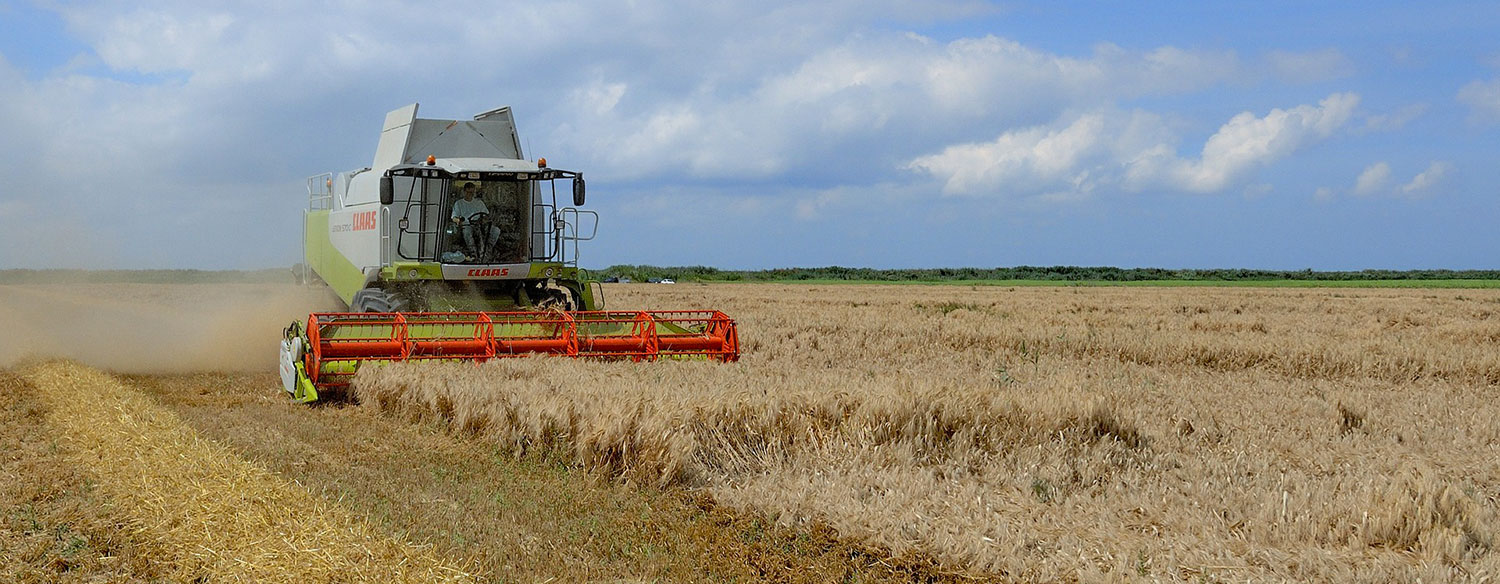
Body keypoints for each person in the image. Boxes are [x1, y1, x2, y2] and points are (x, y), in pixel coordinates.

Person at [450, 182, 501, 260]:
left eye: (472, 192)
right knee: (467, 232)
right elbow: (454, 217)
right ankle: (473, 253)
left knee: (496, 230)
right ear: (464, 192)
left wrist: (484, 220)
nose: (470, 194)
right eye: (468, 192)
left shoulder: (479, 203)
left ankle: (487, 250)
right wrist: (458, 221)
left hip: (480, 224)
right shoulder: (459, 204)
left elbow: (486, 215)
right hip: (467, 225)